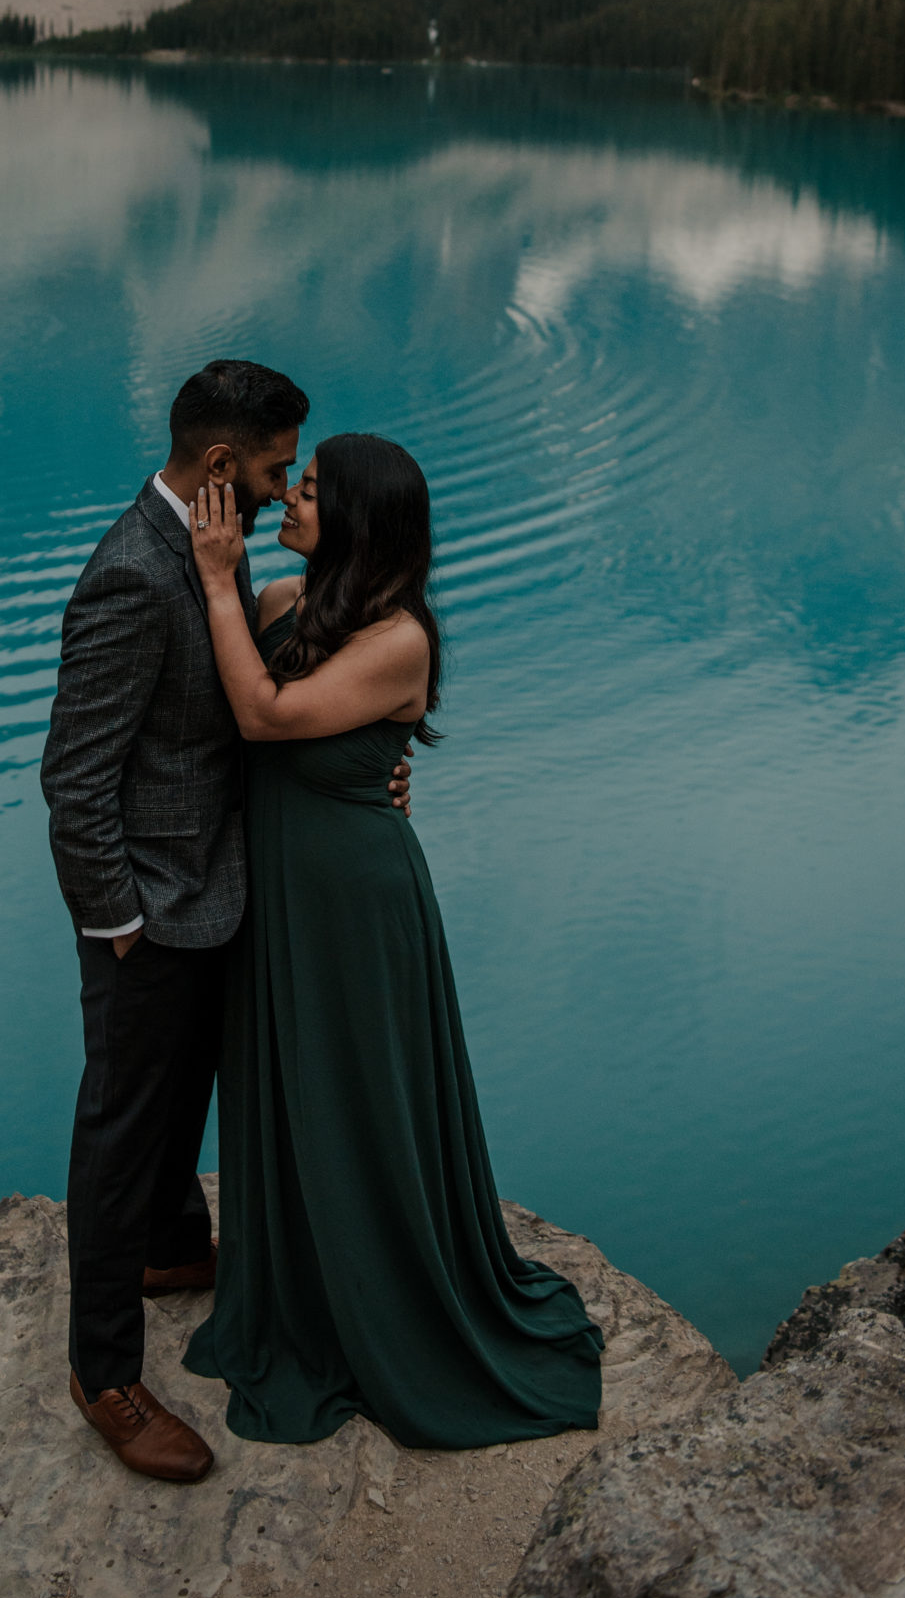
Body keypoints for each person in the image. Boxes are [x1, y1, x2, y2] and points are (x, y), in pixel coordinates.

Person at [182, 434, 604, 1449]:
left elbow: (261, 711)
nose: (288, 497)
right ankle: (302, 1280)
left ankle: (391, 1304)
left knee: (362, 1092)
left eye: (312, 491)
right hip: (281, 893)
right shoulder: (286, 606)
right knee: (290, 1085)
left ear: (362, 521)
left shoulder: (400, 639)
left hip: (356, 907)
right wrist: (236, 589)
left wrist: (210, 579)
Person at [41, 362, 411, 1487]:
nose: (279, 487)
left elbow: (262, 718)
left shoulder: (215, 553)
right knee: (120, 1128)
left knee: (184, 1096)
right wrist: (116, 925)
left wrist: (370, 776)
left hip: (221, 892)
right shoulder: (131, 577)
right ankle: (103, 1373)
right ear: (216, 467)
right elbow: (73, 777)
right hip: (147, 914)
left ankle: (166, 1248)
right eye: (269, 470)